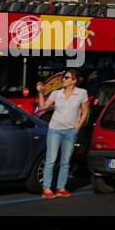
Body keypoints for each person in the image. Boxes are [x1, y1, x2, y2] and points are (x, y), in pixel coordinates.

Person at [37, 70, 89, 198]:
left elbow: (85, 111)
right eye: (63, 78)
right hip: (55, 129)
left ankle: (61, 188)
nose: (63, 80)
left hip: (70, 131)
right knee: (51, 160)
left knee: (65, 161)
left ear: (74, 80)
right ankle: (47, 189)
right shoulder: (56, 93)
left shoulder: (82, 93)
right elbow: (42, 107)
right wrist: (40, 93)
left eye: (66, 78)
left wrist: (77, 127)